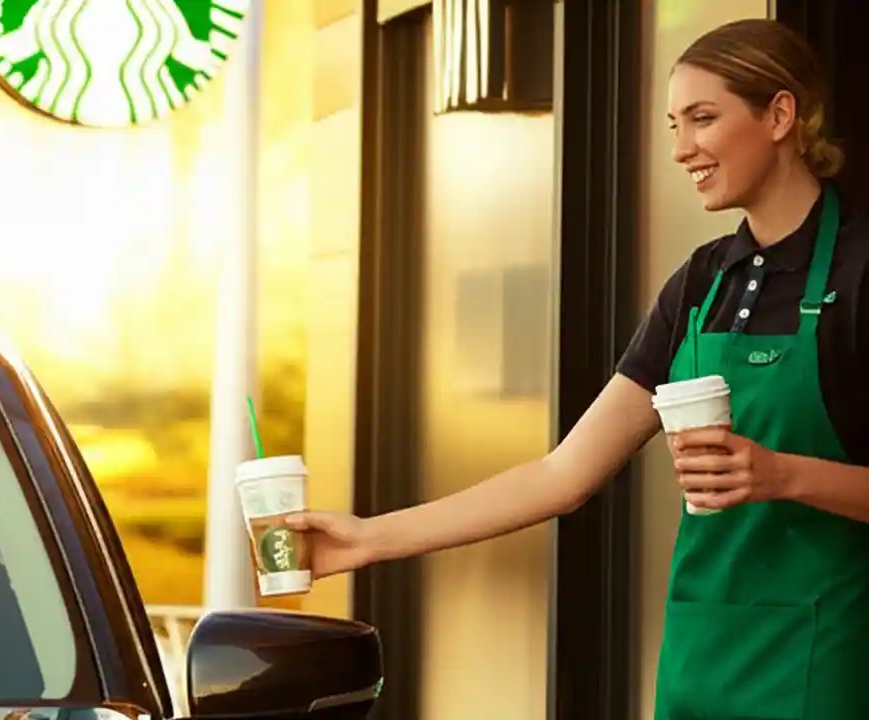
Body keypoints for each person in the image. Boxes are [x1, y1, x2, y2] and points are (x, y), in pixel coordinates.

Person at [286, 19, 869, 720]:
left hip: (825, 670)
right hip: (697, 665)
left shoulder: (860, 272)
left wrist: (783, 475)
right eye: (673, 124)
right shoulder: (701, 283)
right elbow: (561, 477)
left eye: (703, 119)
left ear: (779, 115)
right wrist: (368, 538)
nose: (682, 149)